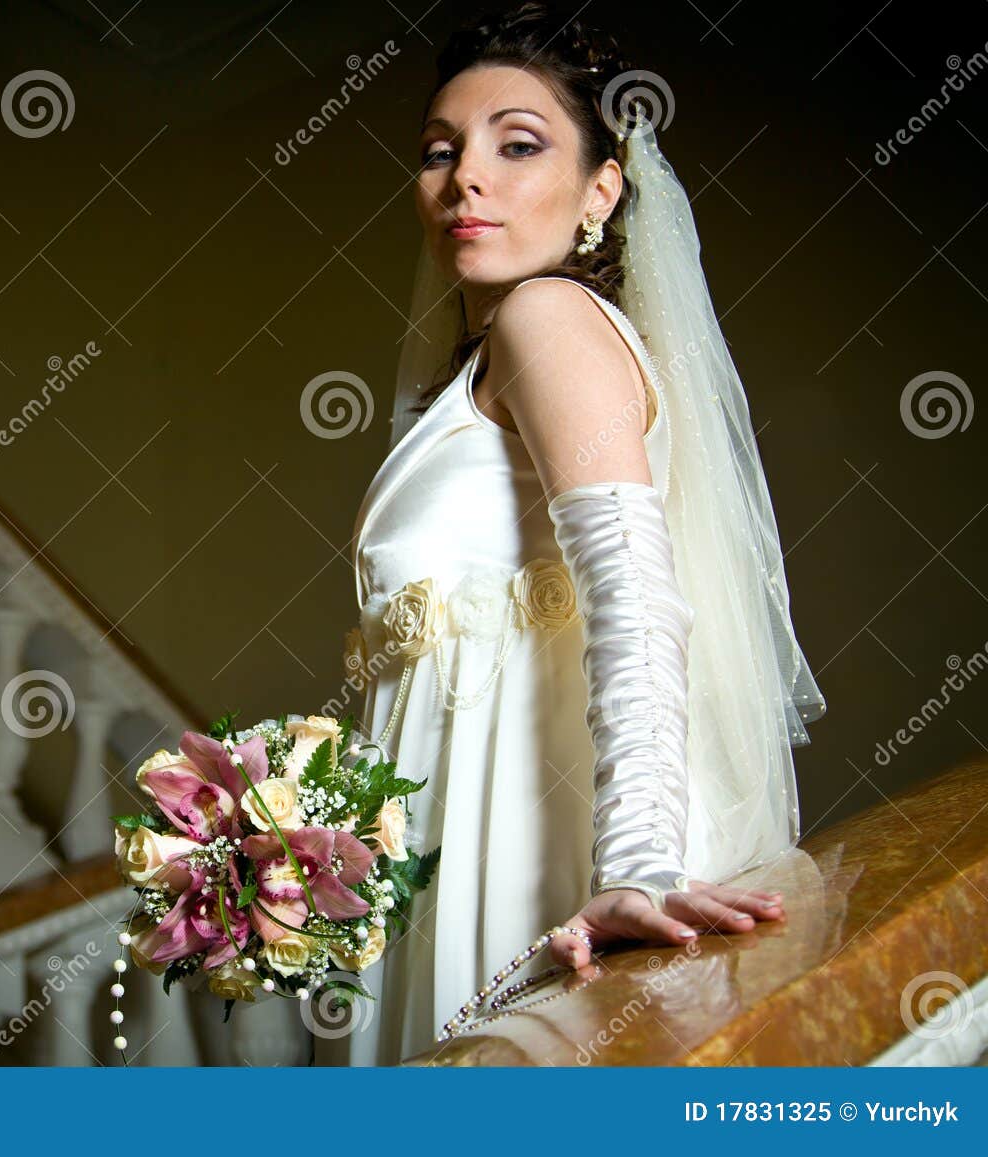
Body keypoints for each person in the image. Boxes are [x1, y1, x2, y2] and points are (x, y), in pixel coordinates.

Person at [322, 3, 826, 1066]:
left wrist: (638, 864)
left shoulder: (543, 318)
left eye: (519, 143)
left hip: (521, 863)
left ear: (603, 188)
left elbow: (634, 591)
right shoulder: (484, 364)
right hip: (444, 847)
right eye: (438, 151)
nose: (465, 177)